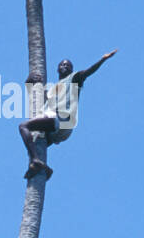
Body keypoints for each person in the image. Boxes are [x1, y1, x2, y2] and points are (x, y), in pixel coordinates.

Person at [18, 50, 117, 179]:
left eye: (68, 66)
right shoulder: (53, 90)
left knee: (23, 126)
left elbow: (87, 72)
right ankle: (44, 168)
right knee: (33, 142)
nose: (65, 67)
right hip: (59, 129)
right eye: (62, 65)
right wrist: (29, 82)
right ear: (57, 69)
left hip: (60, 119)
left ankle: (36, 161)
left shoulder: (74, 79)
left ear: (72, 70)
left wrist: (103, 59)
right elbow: (37, 99)